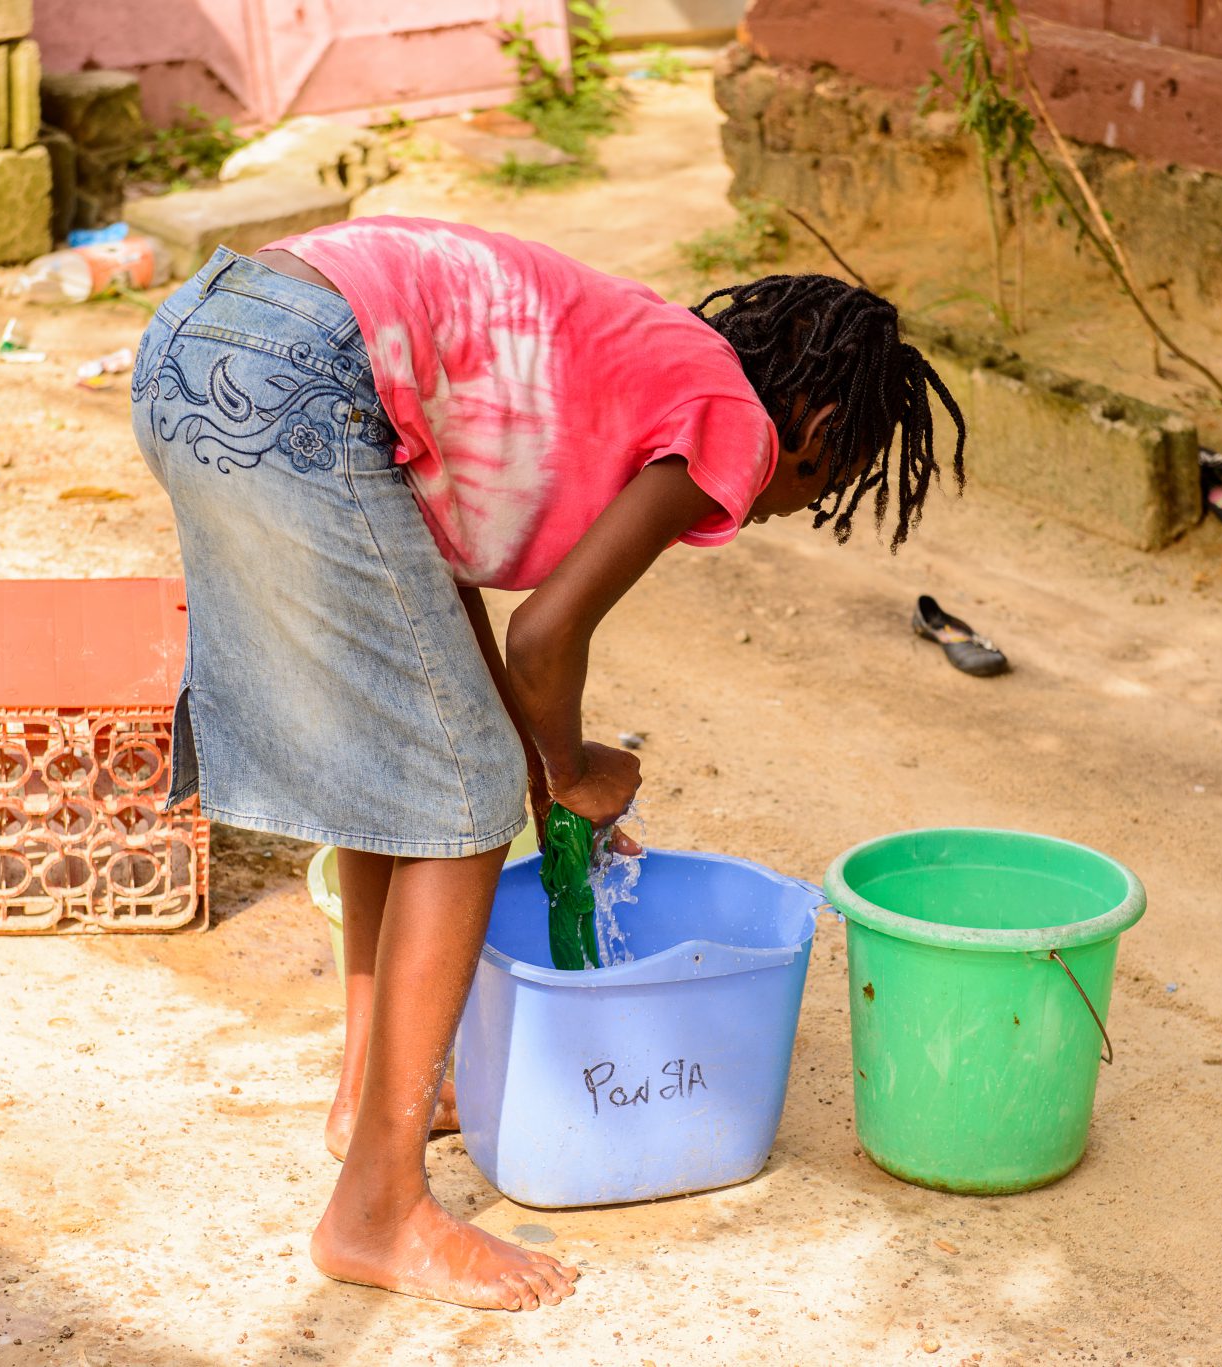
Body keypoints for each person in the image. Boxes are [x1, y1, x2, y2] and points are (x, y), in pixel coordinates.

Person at [131, 216, 964, 1312]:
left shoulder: (617, 368)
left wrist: (530, 759)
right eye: (837, 472)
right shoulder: (734, 422)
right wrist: (567, 770)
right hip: (304, 369)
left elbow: (440, 603)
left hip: (200, 336)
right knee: (457, 797)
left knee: (421, 772)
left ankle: (368, 1098)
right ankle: (375, 1207)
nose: (799, 501)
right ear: (812, 418)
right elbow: (543, 637)